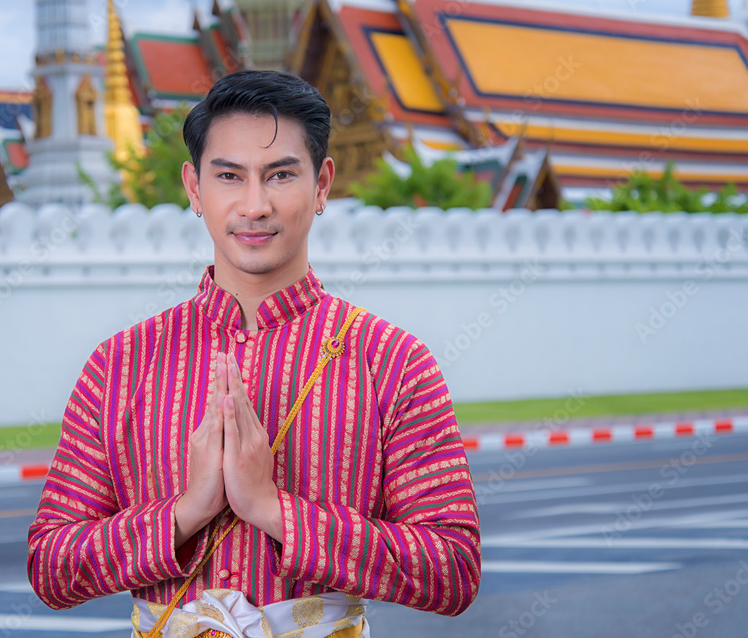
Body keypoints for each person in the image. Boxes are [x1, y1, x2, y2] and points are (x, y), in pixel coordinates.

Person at [27, 70, 481, 637]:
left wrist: (274, 510)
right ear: (194, 188)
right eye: (229, 177)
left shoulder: (390, 361)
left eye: (281, 175)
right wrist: (186, 512)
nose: (254, 204)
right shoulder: (122, 364)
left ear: (322, 186)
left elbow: (454, 570)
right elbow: (51, 567)